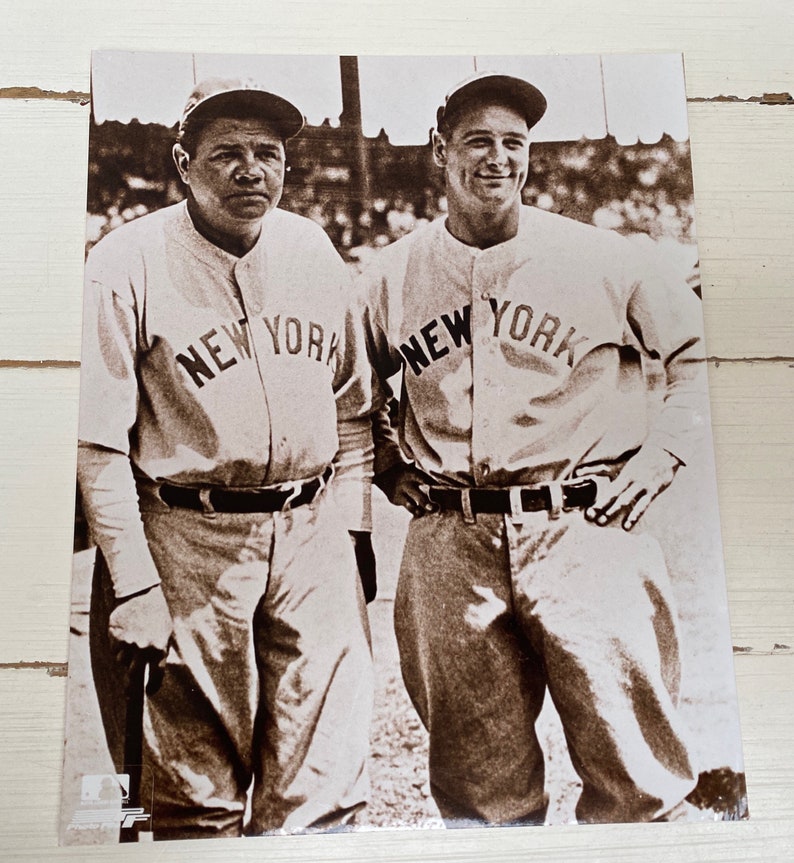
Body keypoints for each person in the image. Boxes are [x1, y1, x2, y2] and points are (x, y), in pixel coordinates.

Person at [361, 72, 707, 825]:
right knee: (480, 799)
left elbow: (700, 355)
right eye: (478, 140)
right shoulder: (390, 274)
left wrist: (662, 454)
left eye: (513, 143)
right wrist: (387, 461)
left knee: (637, 782)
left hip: (584, 525)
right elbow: (346, 391)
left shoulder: (602, 255)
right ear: (439, 151)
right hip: (451, 542)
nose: (497, 158)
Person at [77, 77, 378, 839]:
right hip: (186, 537)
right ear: (183, 163)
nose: (252, 170)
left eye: (268, 153)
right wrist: (136, 583)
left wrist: (353, 524)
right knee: (192, 797)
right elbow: (97, 444)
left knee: (322, 790)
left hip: (309, 531)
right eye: (228, 154)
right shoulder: (125, 263)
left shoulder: (311, 247)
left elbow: (352, 410)